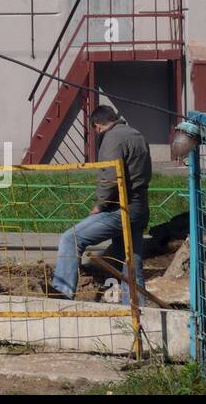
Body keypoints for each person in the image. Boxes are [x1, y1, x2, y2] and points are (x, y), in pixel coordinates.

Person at [51, 105, 151, 302]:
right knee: (129, 263)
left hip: (119, 209)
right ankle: (137, 310)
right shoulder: (136, 134)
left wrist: (99, 206)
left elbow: (110, 176)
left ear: (97, 126)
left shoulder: (112, 138)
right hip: (140, 207)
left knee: (70, 239)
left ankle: (61, 294)